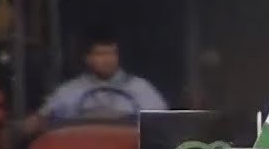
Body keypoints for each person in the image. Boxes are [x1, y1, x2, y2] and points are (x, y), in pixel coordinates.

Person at [24, 29, 168, 132]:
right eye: (100, 54)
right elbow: (41, 120)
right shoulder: (69, 91)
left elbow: (163, 123)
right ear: (87, 58)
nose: (107, 60)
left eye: (112, 54)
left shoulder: (140, 89)